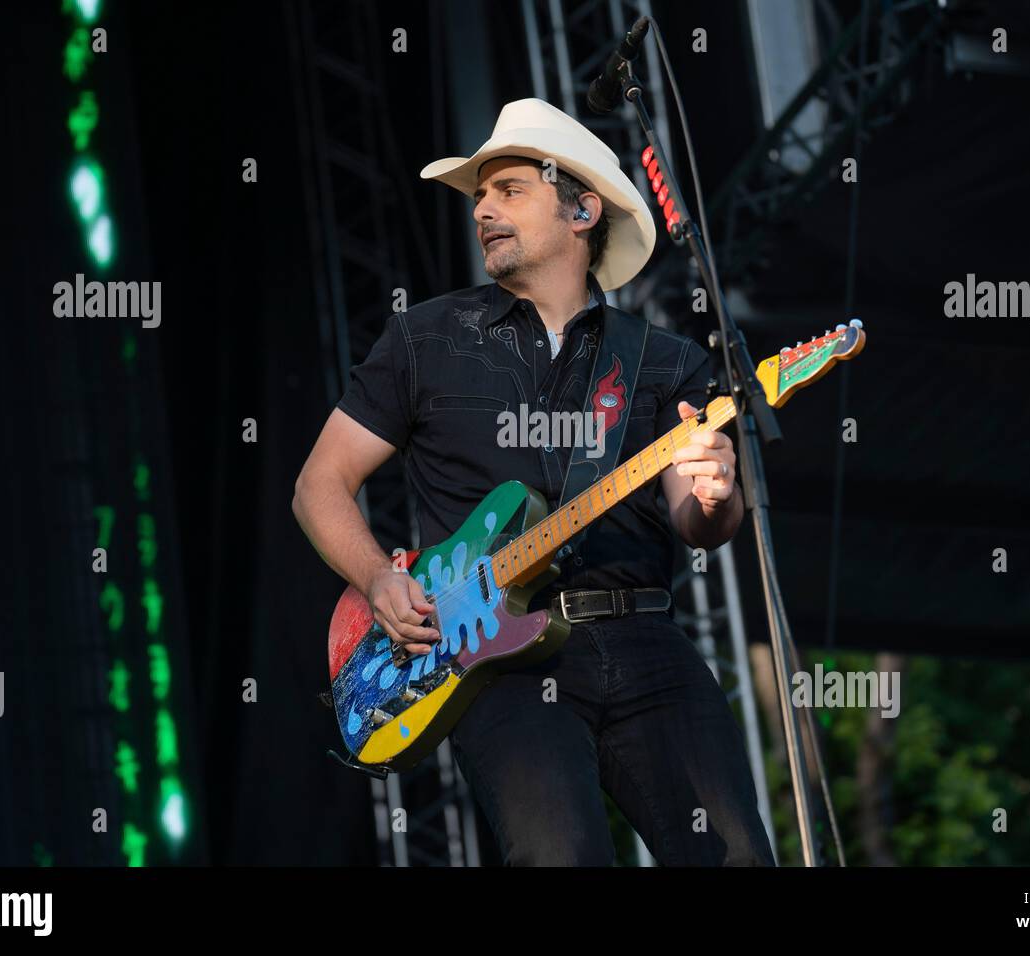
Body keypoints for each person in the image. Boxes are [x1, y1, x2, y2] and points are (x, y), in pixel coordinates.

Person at [293, 98, 774, 866]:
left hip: (646, 637)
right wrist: (377, 577)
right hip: (498, 663)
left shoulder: (664, 362)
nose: (483, 208)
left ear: (582, 210)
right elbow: (320, 483)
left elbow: (698, 521)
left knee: (738, 857)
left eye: (509, 189)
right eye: (480, 194)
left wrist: (717, 497)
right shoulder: (425, 339)